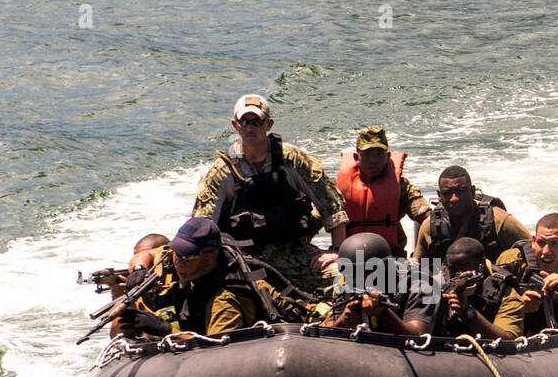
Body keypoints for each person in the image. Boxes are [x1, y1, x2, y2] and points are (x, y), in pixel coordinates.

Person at [192, 95, 348, 294]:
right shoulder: (223, 171)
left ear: (268, 124)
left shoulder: (291, 159)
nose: (250, 128)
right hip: (243, 261)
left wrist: (336, 251)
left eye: (257, 121)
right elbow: (202, 226)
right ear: (235, 125)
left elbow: (332, 205)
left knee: (347, 280)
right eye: (244, 121)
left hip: (294, 253)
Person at [114, 218, 327, 339]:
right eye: (177, 254)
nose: (178, 262)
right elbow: (150, 253)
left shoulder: (226, 298)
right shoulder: (183, 256)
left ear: (211, 255)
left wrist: (165, 330)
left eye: (187, 257)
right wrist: (138, 270)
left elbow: (216, 351)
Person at [334, 237, 524, 341]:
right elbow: (327, 325)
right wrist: (343, 322)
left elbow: (419, 336)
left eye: (465, 267)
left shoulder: (420, 285)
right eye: (452, 268)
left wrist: (467, 312)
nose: (459, 274)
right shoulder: (351, 285)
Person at [336, 126, 430, 255]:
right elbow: (316, 218)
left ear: (388, 156)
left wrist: (420, 254)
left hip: (390, 257)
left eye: (379, 155)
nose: (373, 161)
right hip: (349, 258)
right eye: (368, 155)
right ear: (356, 156)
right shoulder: (336, 191)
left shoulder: (401, 187)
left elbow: (425, 216)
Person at [413, 165, 529, 263]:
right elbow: (419, 267)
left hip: (494, 285)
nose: (454, 198)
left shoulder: (499, 220)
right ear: (439, 196)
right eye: (447, 193)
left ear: (472, 192)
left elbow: (532, 248)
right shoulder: (430, 227)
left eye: (461, 191)